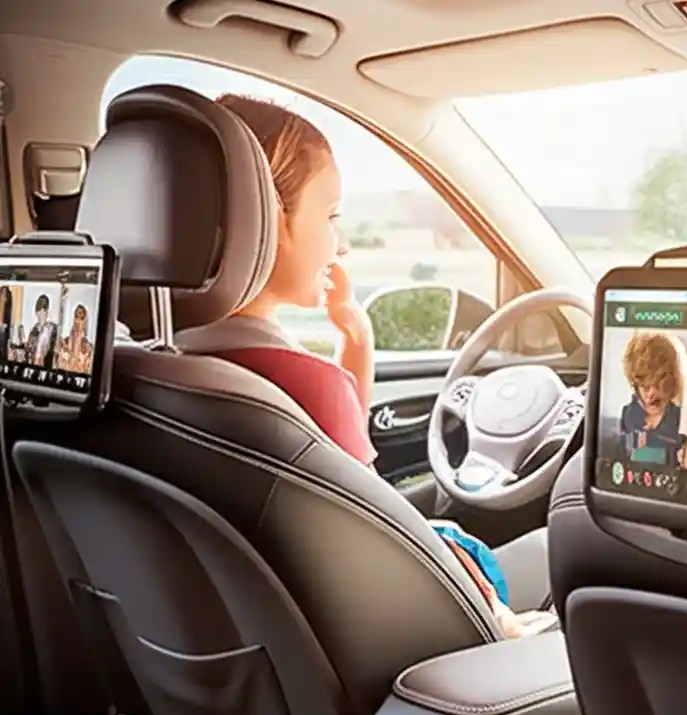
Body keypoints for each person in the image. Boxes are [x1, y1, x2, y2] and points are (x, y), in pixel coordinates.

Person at [174, 94, 551, 638]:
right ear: (266, 220)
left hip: (266, 639)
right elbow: (385, 538)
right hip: (406, 640)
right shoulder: (300, 385)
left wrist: (356, 334)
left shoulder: (157, 366)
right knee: (554, 547)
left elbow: (336, 458)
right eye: (331, 216)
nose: (343, 244)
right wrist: (503, 625)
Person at [618, 332, 687, 468]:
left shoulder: (681, 419)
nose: (651, 394)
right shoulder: (628, 414)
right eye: (645, 387)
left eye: (657, 385)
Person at [55, 304, 94, 374]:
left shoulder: (88, 348)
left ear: (85, 321)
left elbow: (88, 371)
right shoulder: (65, 342)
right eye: (76, 317)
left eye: (81, 318)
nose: (78, 321)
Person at [24, 294, 58, 368]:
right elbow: (29, 351)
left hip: (46, 365)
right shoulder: (34, 330)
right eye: (38, 313)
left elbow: (54, 349)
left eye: (42, 312)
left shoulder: (52, 328)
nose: (40, 315)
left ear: (46, 311)